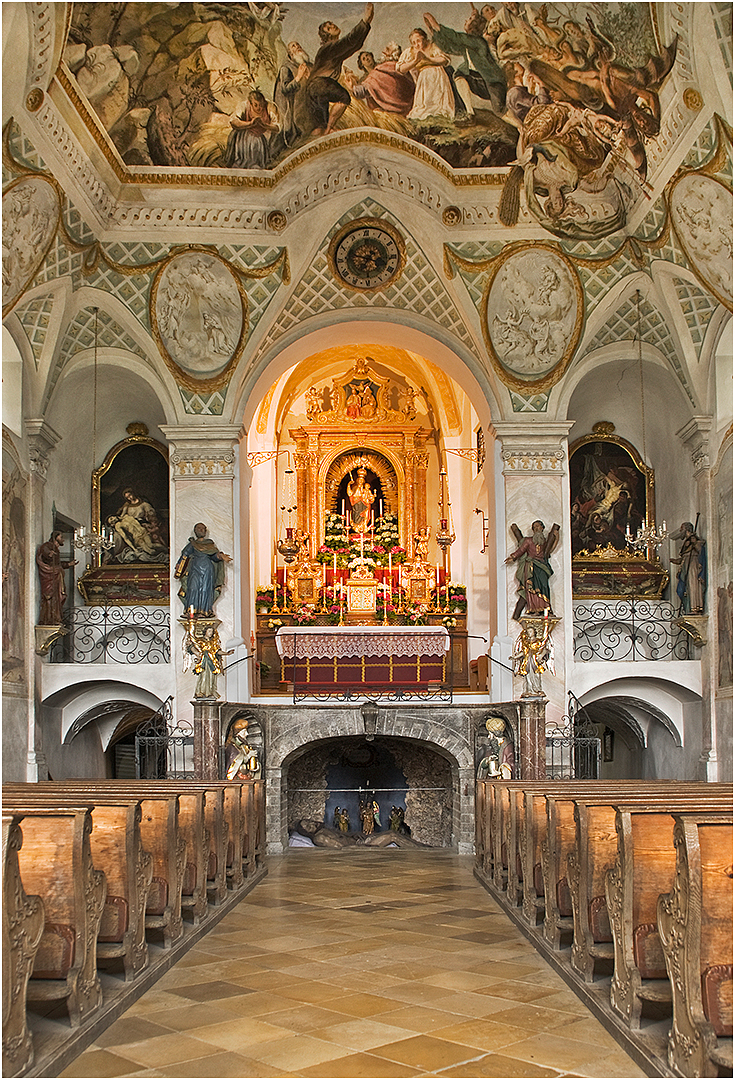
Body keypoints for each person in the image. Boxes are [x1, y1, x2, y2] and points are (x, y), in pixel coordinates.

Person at [304, 4, 375, 136]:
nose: (333, 26)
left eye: (331, 24)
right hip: (320, 84)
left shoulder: (332, 51)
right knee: (344, 97)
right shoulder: (328, 47)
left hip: (312, 91)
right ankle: (330, 128)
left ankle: (319, 137)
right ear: (327, 36)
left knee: (319, 128)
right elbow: (349, 42)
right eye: (329, 28)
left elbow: (353, 46)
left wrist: (365, 26)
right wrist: (365, 21)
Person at [423, 10, 506, 117]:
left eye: (470, 19)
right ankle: (470, 112)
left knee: (500, 111)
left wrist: (437, 26)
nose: (466, 20)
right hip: (478, 80)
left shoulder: (477, 41)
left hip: (492, 81)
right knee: (458, 74)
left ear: (474, 26)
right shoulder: (467, 44)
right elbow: (449, 48)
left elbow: (456, 37)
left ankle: (521, 127)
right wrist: (434, 33)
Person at [397, 28, 455, 121]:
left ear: (424, 39)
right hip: (423, 79)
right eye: (414, 42)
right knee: (424, 105)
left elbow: (444, 60)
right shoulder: (410, 51)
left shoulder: (433, 46)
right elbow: (401, 68)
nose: (417, 44)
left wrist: (428, 59)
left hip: (438, 76)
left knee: (438, 103)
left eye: (419, 41)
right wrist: (415, 61)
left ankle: (440, 117)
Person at [506, 520, 559, 620]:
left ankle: (546, 609)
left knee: (544, 586)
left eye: (538, 526)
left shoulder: (545, 542)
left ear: (542, 528)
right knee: (531, 588)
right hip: (531, 566)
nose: (536, 529)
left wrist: (557, 536)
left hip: (542, 567)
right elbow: (521, 550)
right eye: (534, 527)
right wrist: (513, 557)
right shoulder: (528, 540)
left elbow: (550, 549)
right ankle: (535, 609)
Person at [175, 523, 232, 616]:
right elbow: (184, 555)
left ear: (205, 531)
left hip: (207, 570)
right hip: (194, 569)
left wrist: (220, 556)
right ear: (195, 531)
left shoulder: (210, 544)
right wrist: (179, 568)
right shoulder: (192, 544)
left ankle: (204, 611)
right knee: (192, 588)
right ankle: (191, 611)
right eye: (199, 528)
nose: (201, 530)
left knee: (205, 589)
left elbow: (214, 556)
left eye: (203, 529)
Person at [345, 50, 415, 115]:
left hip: (397, 93)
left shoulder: (383, 65)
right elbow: (365, 91)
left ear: (371, 56)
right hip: (384, 103)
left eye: (367, 55)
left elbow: (396, 69)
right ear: (362, 65)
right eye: (363, 59)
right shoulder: (365, 80)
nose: (366, 58)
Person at [107, 487, 166, 563]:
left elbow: (152, 516)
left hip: (143, 527)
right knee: (150, 551)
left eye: (130, 495)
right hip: (136, 536)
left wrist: (148, 523)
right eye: (127, 497)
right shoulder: (126, 508)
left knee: (151, 545)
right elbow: (122, 517)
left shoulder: (144, 504)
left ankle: (167, 550)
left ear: (133, 494)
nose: (129, 498)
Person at [225, 89, 280, 169]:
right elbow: (234, 122)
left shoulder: (269, 107)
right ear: (250, 104)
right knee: (248, 139)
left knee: (257, 143)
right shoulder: (244, 106)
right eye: (256, 105)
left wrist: (264, 125)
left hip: (262, 137)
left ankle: (256, 163)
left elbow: (277, 127)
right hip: (245, 136)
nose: (259, 108)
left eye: (261, 105)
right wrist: (250, 123)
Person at [273, 40, 311, 150]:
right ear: (290, 53)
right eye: (293, 46)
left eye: (298, 44)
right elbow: (285, 89)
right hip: (291, 108)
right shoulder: (286, 68)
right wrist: (298, 77)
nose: (298, 46)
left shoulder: (307, 65)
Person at [36, 531, 77, 625]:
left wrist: (69, 564)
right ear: (55, 537)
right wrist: (49, 553)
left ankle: (55, 618)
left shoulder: (56, 550)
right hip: (50, 576)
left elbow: (57, 564)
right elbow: (44, 550)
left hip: (56, 576)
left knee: (58, 597)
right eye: (61, 537)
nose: (63, 539)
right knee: (50, 597)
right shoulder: (48, 545)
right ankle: (49, 619)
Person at [185, 624, 232, 700]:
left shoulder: (213, 642)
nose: (210, 633)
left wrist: (227, 653)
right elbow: (191, 647)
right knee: (203, 677)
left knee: (211, 678)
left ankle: (210, 692)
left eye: (212, 631)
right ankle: (201, 692)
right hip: (204, 661)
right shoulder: (200, 641)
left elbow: (217, 651)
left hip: (212, 662)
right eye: (209, 631)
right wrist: (197, 653)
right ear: (205, 631)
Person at [669, 521, 706, 614]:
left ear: (686, 529)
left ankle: (695, 607)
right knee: (684, 588)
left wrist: (695, 543)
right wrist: (675, 561)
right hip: (685, 567)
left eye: (682, 529)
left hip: (693, 565)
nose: (680, 531)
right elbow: (683, 558)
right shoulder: (687, 542)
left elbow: (700, 550)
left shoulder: (693, 539)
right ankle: (688, 607)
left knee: (692, 585)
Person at [511, 622, 552, 696]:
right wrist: (515, 657)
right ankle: (529, 690)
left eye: (531, 631)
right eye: (528, 632)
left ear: (534, 632)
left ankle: (537, 689)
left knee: (536, 675)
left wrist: (541, 655)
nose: (529, 633)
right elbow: (523, 652)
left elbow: (545, 650)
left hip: (535, 661)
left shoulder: (538, 642)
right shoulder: (526, 643)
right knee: (528, 676)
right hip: (527, 661)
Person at [347, 467, 376, 531]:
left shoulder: (366, 490)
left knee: (365, 516)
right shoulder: (355, 488)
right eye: (359, 480)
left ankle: (364, 526)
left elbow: (370, 498)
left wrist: (371, 498)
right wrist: (349, 485)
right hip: (356, 505)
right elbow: (350, 494)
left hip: (364, 505)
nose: (360, 482)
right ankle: (357, 526)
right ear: (357, 481)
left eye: (361, 480)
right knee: (356, 516)